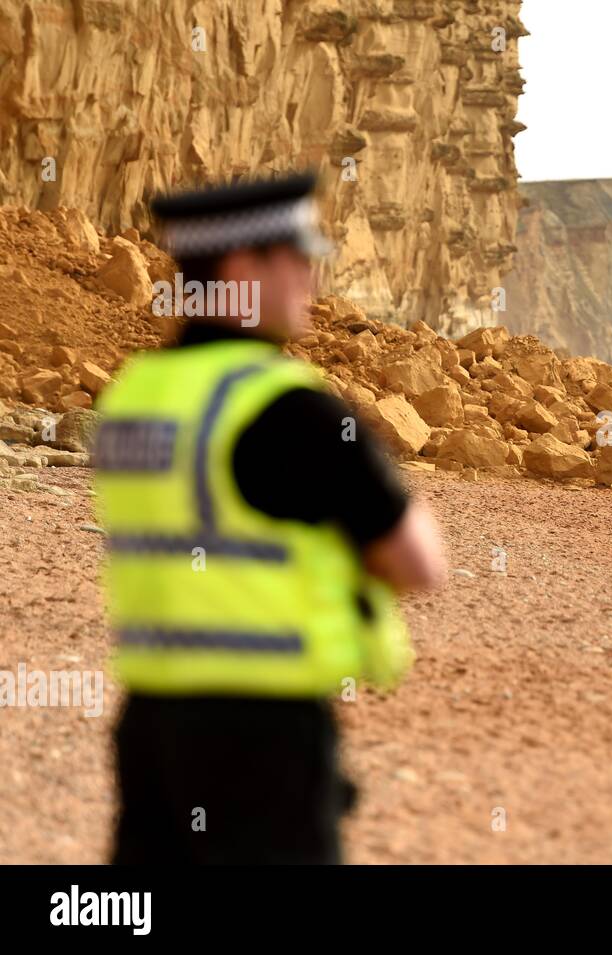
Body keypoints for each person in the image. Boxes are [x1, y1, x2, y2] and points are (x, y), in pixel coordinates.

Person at [95, 171, 448, 864]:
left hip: (149, 722)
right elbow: (418, 563)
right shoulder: (286, 408)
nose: (312, 282)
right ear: (241, 267)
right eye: (298, 260)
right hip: (263, 732)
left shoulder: (133, 397)